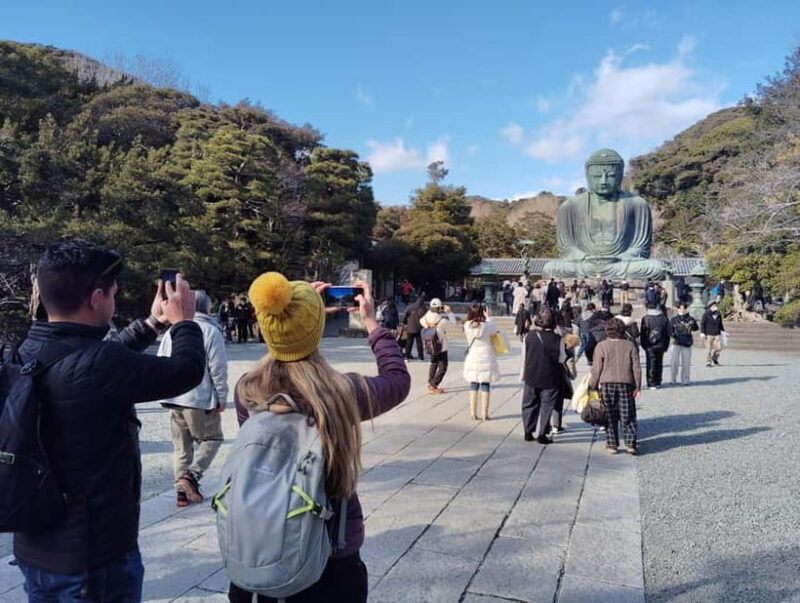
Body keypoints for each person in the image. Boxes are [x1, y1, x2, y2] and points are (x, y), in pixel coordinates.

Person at [13, 240, 206, 601]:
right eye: (113, 293)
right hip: (91, 558)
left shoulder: (28, 347)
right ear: (97, 298)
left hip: (38, 546)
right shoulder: (99, 366)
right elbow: (186, 370)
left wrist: (153, 323)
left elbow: (100, 359)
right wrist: (184, 323)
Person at [231, 273, 410, 602]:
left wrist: (290, 316)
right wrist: (371, 322)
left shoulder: (247, 390)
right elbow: (397, 380)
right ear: (315, 332)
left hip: (264, 547)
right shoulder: (340, 394)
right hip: (331, 555)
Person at [158, 290, 228, 507]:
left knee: (181, 447)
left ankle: (182, 494)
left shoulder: (172, 331)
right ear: (207, 307)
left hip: (174, 396)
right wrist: (221, 396)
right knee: (212, 438)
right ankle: (191, 476)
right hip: (198, 397)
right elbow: (217, 368)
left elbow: (161, 360)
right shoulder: (209, 330)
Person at [589, 318, 642, 454]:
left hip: (607, 383)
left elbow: (596, 369)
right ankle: (631, 443)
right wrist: (638, 386)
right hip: (626, 383)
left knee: (610, 415)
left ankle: (612, 444)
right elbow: (636, 367)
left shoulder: (601, 346)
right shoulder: (630, 345)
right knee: (628, 414)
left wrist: (592, 386)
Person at [520, 308, 566, 444]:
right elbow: (561, 359)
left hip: (531, 375)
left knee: (529, 404)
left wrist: (522, 374)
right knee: (547, 406)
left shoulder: (529, 335)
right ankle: (542, 434)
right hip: (550, 377)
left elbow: (524, 356)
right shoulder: (558, 339)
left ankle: (528, 431)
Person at [462, 303, 500, 421]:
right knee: (485, 385)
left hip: (473, 356)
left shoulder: (467, 325)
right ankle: (485, 413)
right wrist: (488, 317)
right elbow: (495, 332)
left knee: (473, 385)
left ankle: (473, 413)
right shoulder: (488, 325)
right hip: (486, 356)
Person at [420, 298, 456, 394]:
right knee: (443, 366)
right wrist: (449, 313)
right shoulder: (442, 321)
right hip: (441, 346)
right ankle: (433, 385)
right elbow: (454, 324)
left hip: (430, 344)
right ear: (440, 308)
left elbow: (421, 321)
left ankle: (430, 383)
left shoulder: (426, 317)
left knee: (434, 363)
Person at [640, 303, 670, 389]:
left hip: (649, 344)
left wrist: (644, 344)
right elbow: (667, 333)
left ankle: (651, 382)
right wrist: (666, 345)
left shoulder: (646, 318)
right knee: (659, 362)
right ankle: (658, 380)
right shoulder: (664, 319)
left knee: (651, 362)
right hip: (661, 343)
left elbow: (643, 333)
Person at [669, 302, 699, 385]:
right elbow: (669, 330)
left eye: (683, 308)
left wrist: (692, 325)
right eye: (680, 308)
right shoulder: (674, 319)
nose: (682, 309)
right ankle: (673, 379)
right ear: (677, 309)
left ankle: (685, 379)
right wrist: (673, 335)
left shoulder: (690, 319)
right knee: (674, 362)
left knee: (686, 363)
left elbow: (696, 328)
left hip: (686, 342)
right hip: (676, 342)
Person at [700, 300, 725, 367]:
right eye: (713, 305)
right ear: (710, 306)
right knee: (708, 349)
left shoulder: (718, 314)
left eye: (715, 305)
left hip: (717, 333)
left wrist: (723, 331)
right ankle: (708, 362)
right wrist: (702, 332)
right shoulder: (706, 314)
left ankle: (714, 358)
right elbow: (702, 324)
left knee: (719, 347)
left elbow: (720, 323)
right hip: (709, 334)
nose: (715, 306)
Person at [402, 296, 426, 360]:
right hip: (418, 327)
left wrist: (405, 322)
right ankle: (421, 356)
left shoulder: (410, 307)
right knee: (419, 343)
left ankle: (407, 356)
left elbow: (405, 316)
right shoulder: (423, 309)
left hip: (410, 327)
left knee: (409, 343)